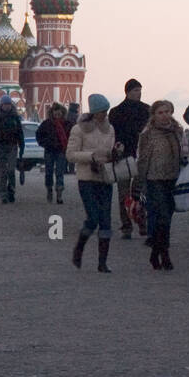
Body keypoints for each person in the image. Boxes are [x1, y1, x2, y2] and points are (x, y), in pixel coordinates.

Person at [67, 94, 119, 273]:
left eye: (106, 111)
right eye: (102, 111)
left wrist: (115, 153)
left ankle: (102, 262)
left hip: (105, 177)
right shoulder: (79, 129)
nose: (104, 114)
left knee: (106, 220)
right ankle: (79, 247)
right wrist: (90, 157)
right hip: (87, 178)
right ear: (94, 111)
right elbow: (71, 154)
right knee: (93, 217)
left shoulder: (109, 129)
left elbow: (110, 150)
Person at [137, 100, 184, 271]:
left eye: (167, 112)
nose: (165, 115)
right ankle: (164, 254)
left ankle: (156, 251)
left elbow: (183, 152)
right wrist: (139, 184)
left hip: (173, 178)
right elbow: (142, 159)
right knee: (162, 216)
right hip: (154, 178)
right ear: (154, 115)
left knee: (167, 219)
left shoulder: (177, 131)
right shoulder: (147, 134)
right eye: (161, 112)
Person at [109, 79, 149, 240]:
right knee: (123, 194)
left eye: (140, 90)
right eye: (135, 90)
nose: (138, 93)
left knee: (139, 193)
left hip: (141, 157)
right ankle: (126, 226)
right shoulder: (117, 111)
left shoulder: (147, 110)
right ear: (127, 92)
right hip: (123, 157)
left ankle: (141, 222)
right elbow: (112, 134)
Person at [0, 96, 23, 203]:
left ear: (11, 105)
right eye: (5, 104)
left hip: (12, 146)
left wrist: (22, 146)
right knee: (3, 172)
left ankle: (11, 190)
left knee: (11, 170)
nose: (7, 106)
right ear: (1, 105)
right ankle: (3, 194)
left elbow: (20, 133)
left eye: (8, 104)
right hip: (1, 146)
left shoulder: (15, 117)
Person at [36, 103, 70, 204]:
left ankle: (59, 193)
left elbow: (71, 137)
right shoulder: (46, 124)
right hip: (49, 150)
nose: (57, 113)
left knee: (60, 172)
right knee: (49, 172)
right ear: (52, 112)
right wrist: (45, 143)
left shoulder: (67, 124)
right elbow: (39, 135)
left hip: (61, 151)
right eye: (55, 111)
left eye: (59, 110)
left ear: (62, 112)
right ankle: (49, 189)